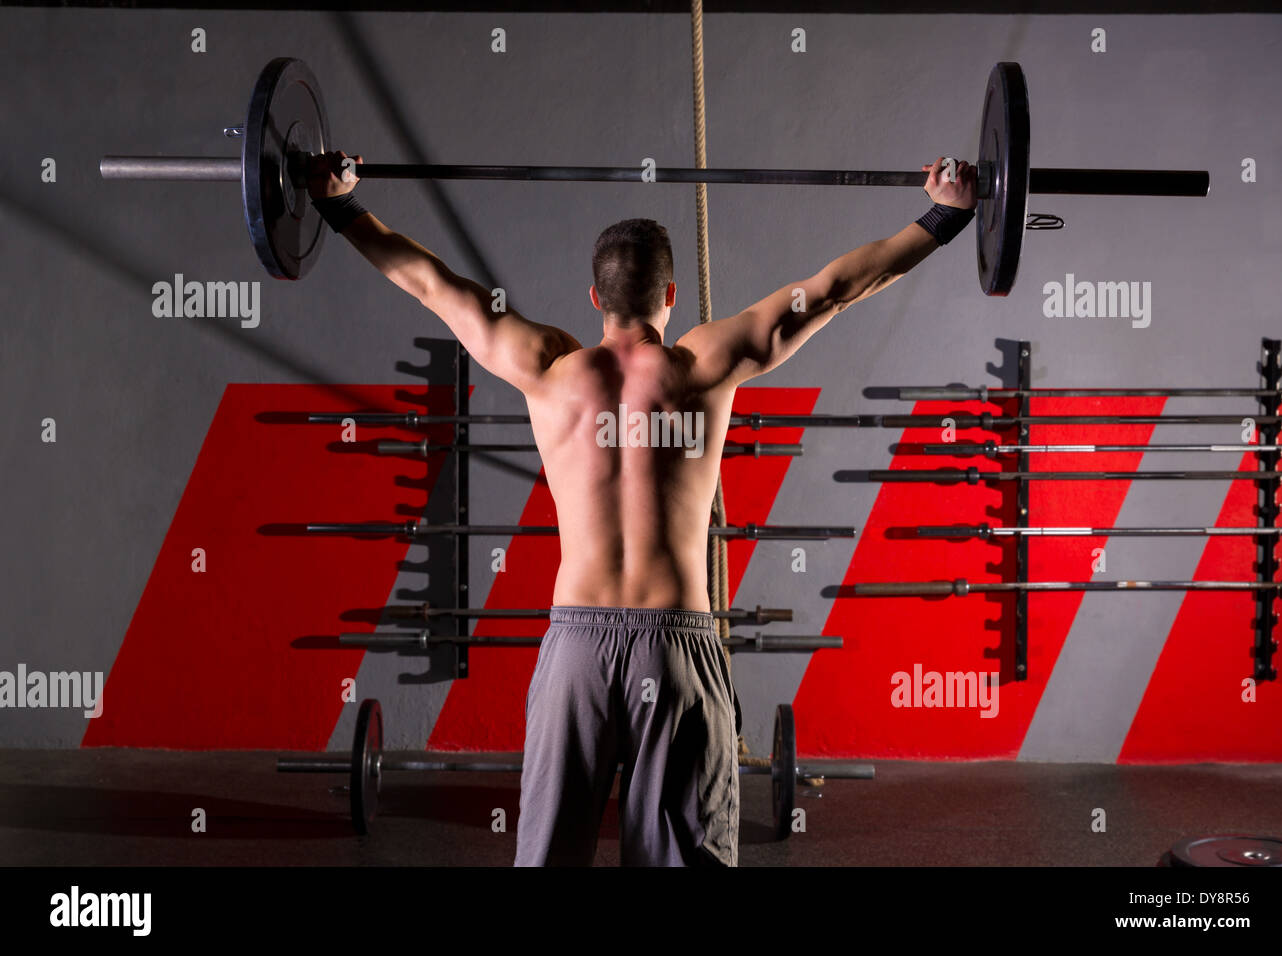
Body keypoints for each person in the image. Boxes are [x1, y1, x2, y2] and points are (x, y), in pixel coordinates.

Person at [307, 153, 976, 866]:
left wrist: (337, 203)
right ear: (671, 295)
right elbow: (835, 289)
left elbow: (432, 286)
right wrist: (946, 214)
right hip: (675, 641)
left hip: (576, 651)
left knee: (549, 856)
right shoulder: (706, 362)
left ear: (595, 298)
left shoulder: (546, 367)